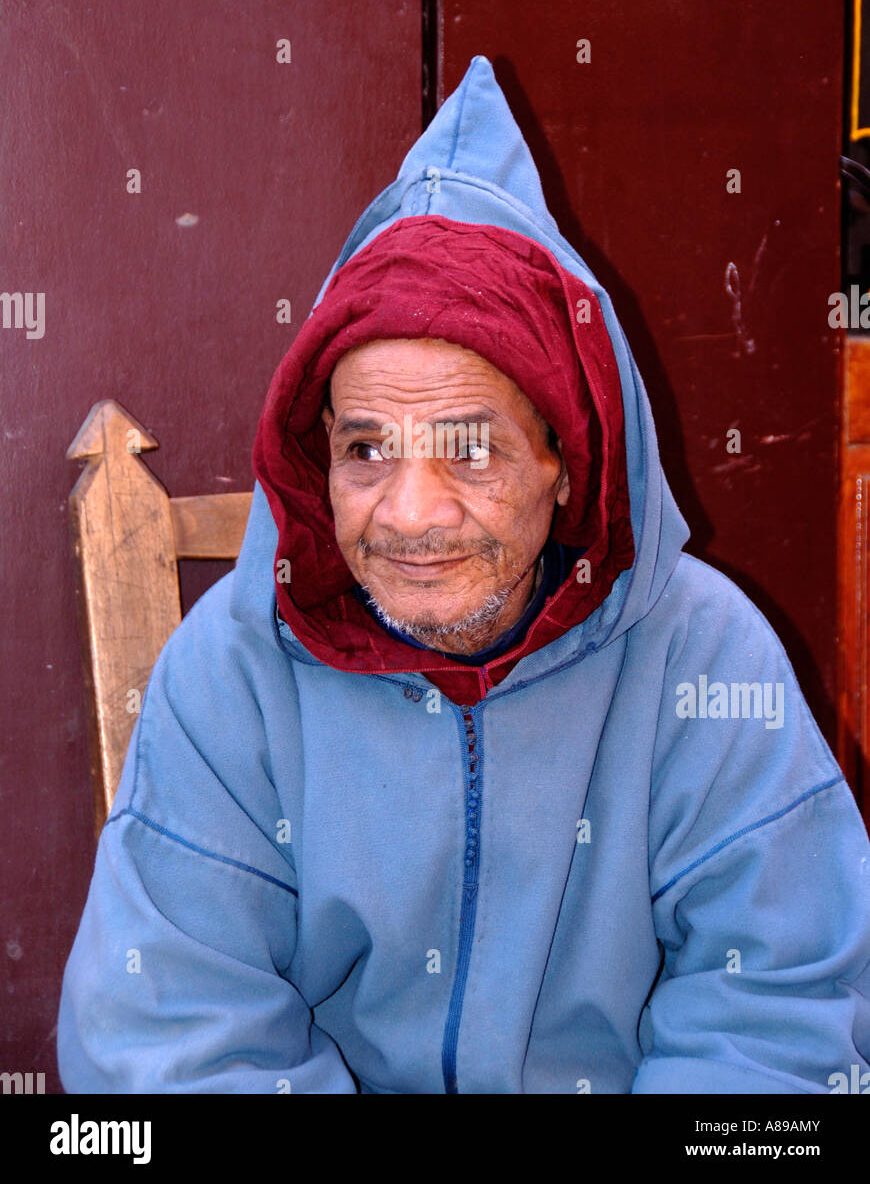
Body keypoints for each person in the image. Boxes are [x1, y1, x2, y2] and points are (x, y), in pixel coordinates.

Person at [57, 56, 870, 1094]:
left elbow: (779, 1023)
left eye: (471, 447)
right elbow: (170, 1035)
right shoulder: (230, 674)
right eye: (366, 449)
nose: (411, 512)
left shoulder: (707, 662)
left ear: (566, 462)